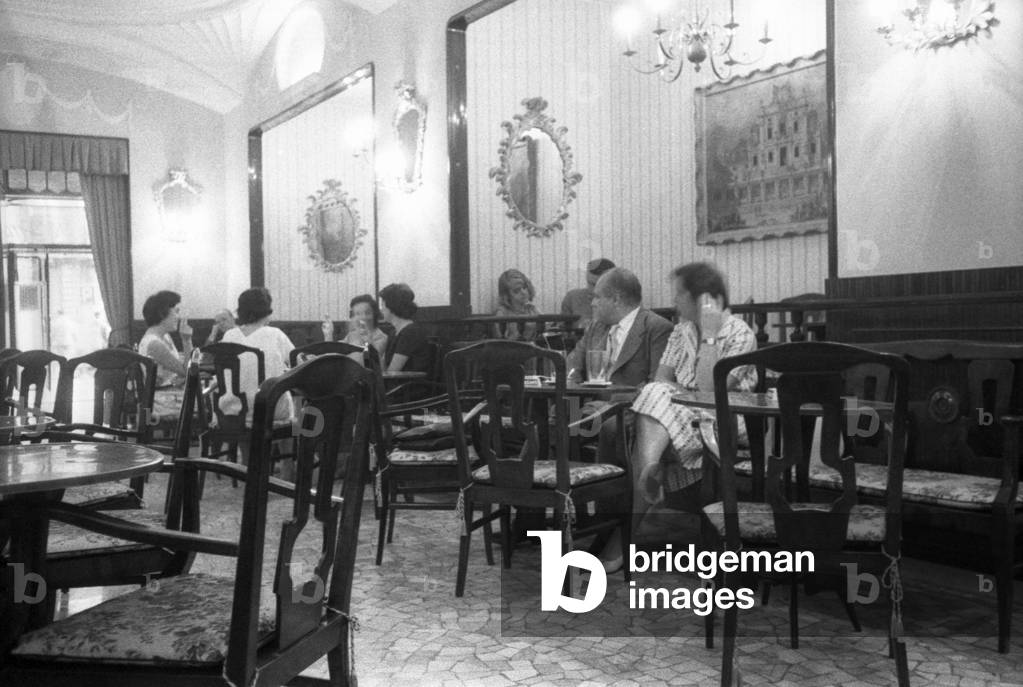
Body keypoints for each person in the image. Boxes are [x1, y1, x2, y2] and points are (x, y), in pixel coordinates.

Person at [598, 262, 757, 572]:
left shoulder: (739, 334)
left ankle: (634, 515)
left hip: (723, 419)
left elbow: (710, 392)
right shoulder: (681, 332)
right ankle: (648, 481)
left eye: (680, 294)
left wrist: (708, 337)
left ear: (704, 298)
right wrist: (681, 393)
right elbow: (662, 378)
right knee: (654, 391)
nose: (674, 301)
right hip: (676, 414)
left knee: (654, 397)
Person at [220, 287, 295, 427]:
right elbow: (297, 363)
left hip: (233, 412)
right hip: (269, 411)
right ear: (266, 311)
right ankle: (295, 440)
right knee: (298, 404)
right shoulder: (275, 334)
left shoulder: (229, 335)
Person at [139, 290, 193, 387]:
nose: (178, 317)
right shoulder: (154, 344)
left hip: (171, 389)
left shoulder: (165, 336)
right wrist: (186, 340)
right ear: (162, 313)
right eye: (176, 311)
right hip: (160, 395)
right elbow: (188, 372)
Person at [379, 283, 432, 373]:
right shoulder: (393, 332)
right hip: (394, 381)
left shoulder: (410, 332)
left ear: (391, 306)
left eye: (383, 305)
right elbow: (383, 370)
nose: (381, 309)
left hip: (408, 382)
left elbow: (392, 372)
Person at [560, 257, 615, 331]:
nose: (592, 289)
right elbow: (561, 331)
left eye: (596, 285)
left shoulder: (620, 303)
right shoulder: (572, 298)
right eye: (589, 283)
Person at [493, 268, 539, 341]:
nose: (523, 292)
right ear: (507, 295)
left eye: (524, 287)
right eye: (516, 291)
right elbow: (498, 342)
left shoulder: (532, 309)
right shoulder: (502, 313)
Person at [342, 294, 389, 365]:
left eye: (367, 313)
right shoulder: (352, 334)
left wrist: (367, 342)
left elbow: (370, 361)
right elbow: (337, 351)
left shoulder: (381, 337)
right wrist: (328, 334)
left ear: (375, 314)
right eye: (358, 314)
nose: (363, 317)